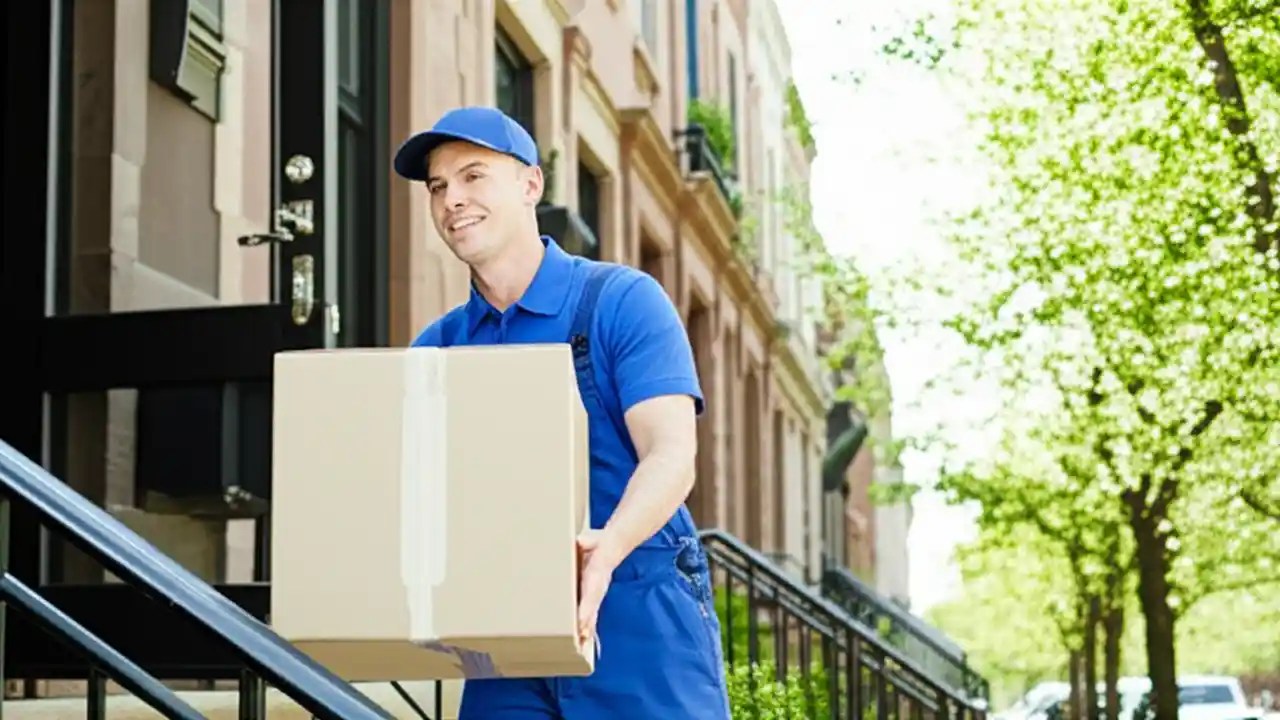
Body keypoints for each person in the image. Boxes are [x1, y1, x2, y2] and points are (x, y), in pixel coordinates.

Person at [392, 105, 732, 719]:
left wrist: (605, 551)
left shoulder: (620, 301)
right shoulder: (437, 350)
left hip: (635, 608)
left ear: (530, 185)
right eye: (438, 187)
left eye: (473, 176)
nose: (451, 200)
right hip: (506, 640)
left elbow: (671, 452)